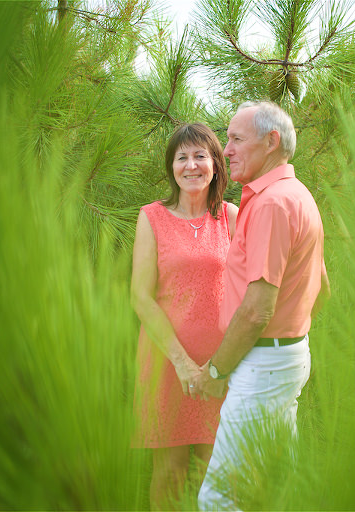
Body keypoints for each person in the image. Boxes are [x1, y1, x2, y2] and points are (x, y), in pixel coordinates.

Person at [192, 101, 330, 510]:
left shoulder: (270, 204)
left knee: (218, 498)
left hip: (263, 365)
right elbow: (322, 289)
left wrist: (218, 369)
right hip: (285, 359)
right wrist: (288, 341)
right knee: (276, 487)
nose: (226, 149)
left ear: (271, 142)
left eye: (236, 139)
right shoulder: (296, 194)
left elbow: (256, 310)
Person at [131, 123, 238, 510]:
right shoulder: (152, 217)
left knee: (219, 469)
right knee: (170, 471)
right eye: (182, 158)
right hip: (166, 362)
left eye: (200, 156)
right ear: (171, 167)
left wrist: (219, 367)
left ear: (215, 164)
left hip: (221, 366)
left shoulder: (232, 216)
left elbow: (248, 294)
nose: (191, 166)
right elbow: (141, 297)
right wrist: (181, 364)